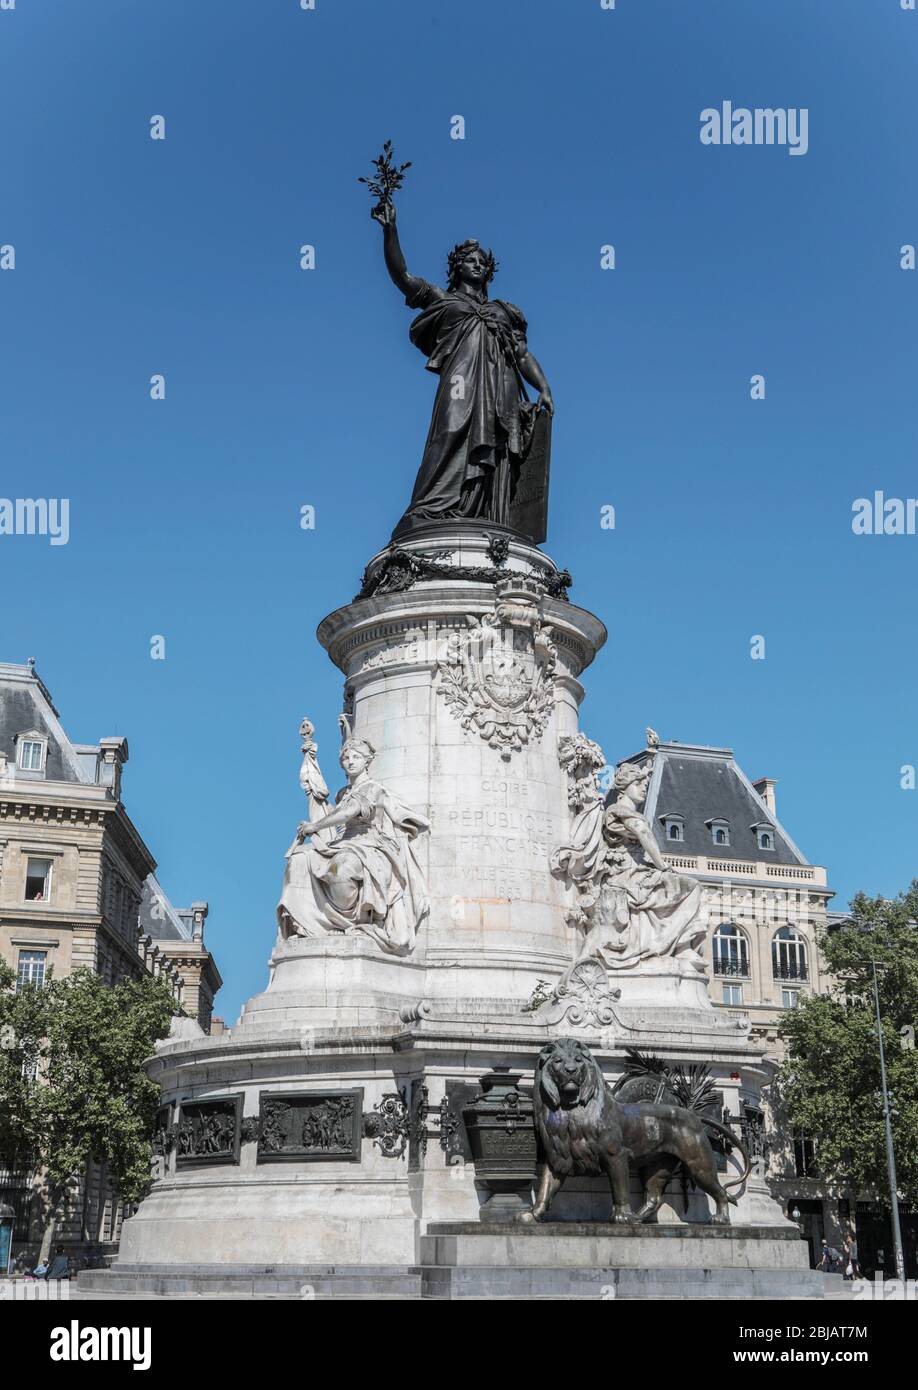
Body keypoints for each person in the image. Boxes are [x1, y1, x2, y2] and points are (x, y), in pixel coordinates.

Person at [374, 200, 554, 532]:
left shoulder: (505, 310)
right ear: (457, 267)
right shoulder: (445, 300)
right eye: (469, 260)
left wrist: (543, 387)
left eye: (482, 262)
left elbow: (522, 354)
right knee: (449, 433)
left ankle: (484, 515)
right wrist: (390, 230)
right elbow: (403, 276)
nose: (477, 264)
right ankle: (431, 509)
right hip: (461, 384)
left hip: (502, 388)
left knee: (499, 450)